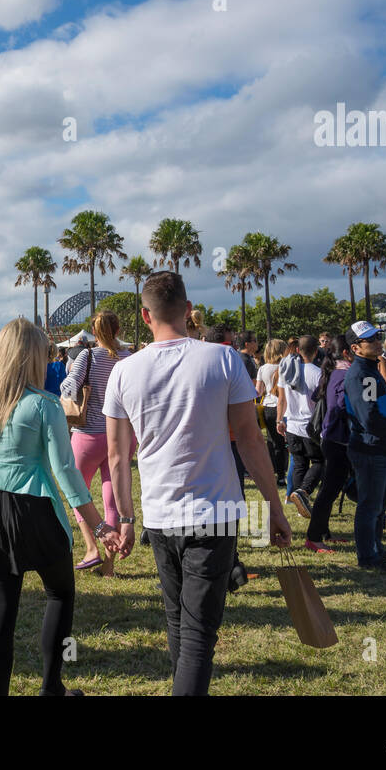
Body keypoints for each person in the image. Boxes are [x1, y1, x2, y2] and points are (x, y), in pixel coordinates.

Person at [106, 272, 290, 695]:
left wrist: (126, 519)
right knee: (198, 634)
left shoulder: (125, 371)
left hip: (159, 514)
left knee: (181, 624)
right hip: (214, 512)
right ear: (189, 310)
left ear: (144, 315)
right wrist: (274, 508)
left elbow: (118, 456)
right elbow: (249, 440)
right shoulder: (222, 359)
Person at [0, 318, 119, 696]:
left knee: (1, 612)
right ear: (34, 358)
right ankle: (52, 687)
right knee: (60, 593)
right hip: (31, 506)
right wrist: (100, 526)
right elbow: (66, 472)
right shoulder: (45, 405)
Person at [60, 310, 133, 577]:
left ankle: (92, 547)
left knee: (78, 492)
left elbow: (68, 388)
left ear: (94, 330)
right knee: (112, 499)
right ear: (118, 329)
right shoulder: (128, 358)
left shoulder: (87, 356)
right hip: (122, 435)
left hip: (89, 433)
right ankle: (109, 565)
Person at [344, 322, 386, 572]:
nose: (377, 341)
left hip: (379, 447)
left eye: (377, 337)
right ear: (356, 348)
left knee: (379, 504)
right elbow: (369, 417)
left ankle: (377, 549)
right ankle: (368, 557)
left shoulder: (370, 370)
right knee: (370, 506)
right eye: (370, 340)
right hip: (370, 448)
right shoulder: (361, 374)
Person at [303, 334, 354, 553]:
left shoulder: (331, 372)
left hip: (330, 436)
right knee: (329, 489)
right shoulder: (343, 374)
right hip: (338, 438)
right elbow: (341, 406)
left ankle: (322, 533)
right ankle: (314, 537)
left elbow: (317, 396)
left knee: (331, 488)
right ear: (346, 352)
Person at [276, 335, 324, 517]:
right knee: (320, 461)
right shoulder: (317, 373)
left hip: (291, 423)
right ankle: (303, 492)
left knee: (299, 464)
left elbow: (281, 398)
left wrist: (279, 420)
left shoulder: (286, 370)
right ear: (316, 351)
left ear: (297, 350)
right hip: (309, 425)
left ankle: (299, 501)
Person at [255, 339, 288, 485]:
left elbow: (258, 391)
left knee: (271, 441)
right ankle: (282, 475)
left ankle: (271, 472)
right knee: (283, 443)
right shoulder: (285, 367)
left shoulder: (262, 368)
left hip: (268, 407)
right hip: (283, 406)